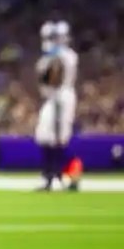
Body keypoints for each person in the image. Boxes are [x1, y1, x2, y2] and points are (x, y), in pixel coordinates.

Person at [34, 19, 79, 192]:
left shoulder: (67, 55)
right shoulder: (49, 56)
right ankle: (48, 176)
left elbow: (55, 77)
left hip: (62, 95)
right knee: (44, 135)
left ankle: (61, 176)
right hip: (52, 97)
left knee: (59, 138)